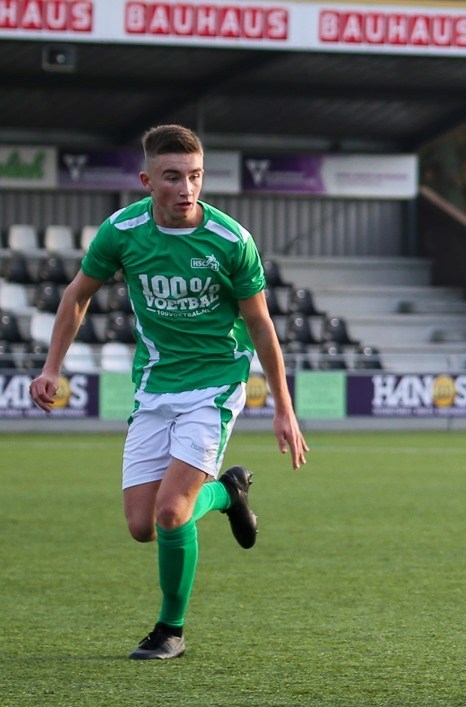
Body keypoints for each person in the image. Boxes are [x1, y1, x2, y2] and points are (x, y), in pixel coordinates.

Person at [30, 124, 309, 660]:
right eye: (174, 177)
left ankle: (170, 631)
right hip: (155, 386)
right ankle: (228, 494)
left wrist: (283, 409)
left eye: (196, 176)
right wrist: (51, 368)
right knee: (141, 526)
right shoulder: (123, 231)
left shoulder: (231, 240)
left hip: (215, 384)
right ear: (147, 179)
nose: (187, 189)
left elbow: (261, 325)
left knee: (170, 513)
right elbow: (76, 295)